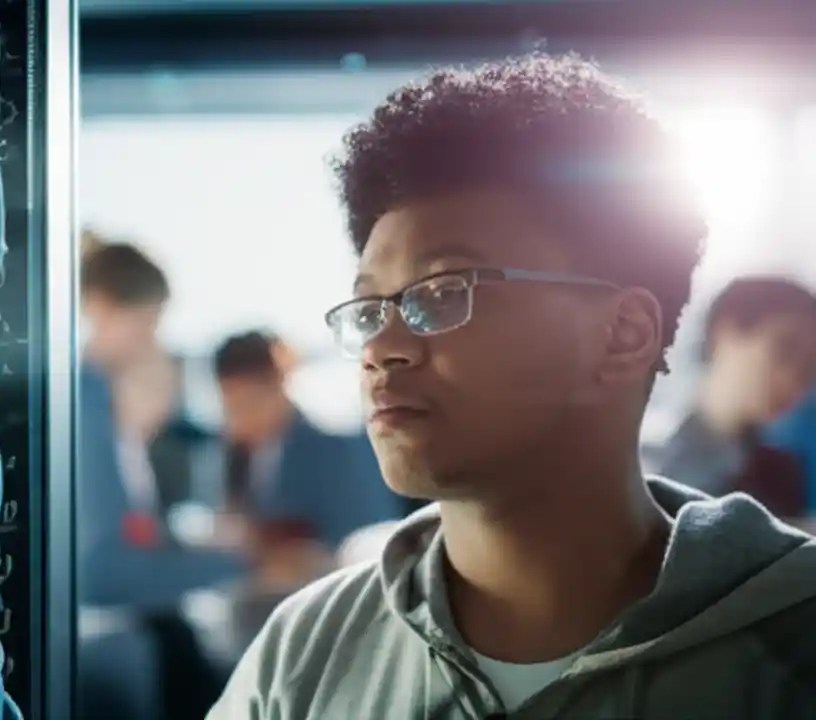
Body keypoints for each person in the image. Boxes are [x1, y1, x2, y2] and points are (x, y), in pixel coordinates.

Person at [208, 53, 816, 719]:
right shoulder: (307, 656)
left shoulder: (789, 645)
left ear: (622, 334)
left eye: (442, 294)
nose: (381, 350)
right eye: (371, 308)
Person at [76, 237, 244, 720]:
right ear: (102, 308)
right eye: (147, 321)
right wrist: (239, 562)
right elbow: (101, 572)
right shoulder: (85, 413)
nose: (151, 339)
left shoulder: (109, 416)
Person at [212, 330, 405, 555]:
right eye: (230, 406)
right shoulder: (237, 457)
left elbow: (369, 537)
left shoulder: (333, 450)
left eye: (248, 403)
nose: (237, 417)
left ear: (277, 384)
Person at [645, 278, 816, 518]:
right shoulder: (646, 456)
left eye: (809, 368)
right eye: (785, 350)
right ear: (726, 331)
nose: (793, 380)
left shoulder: (783, 474)